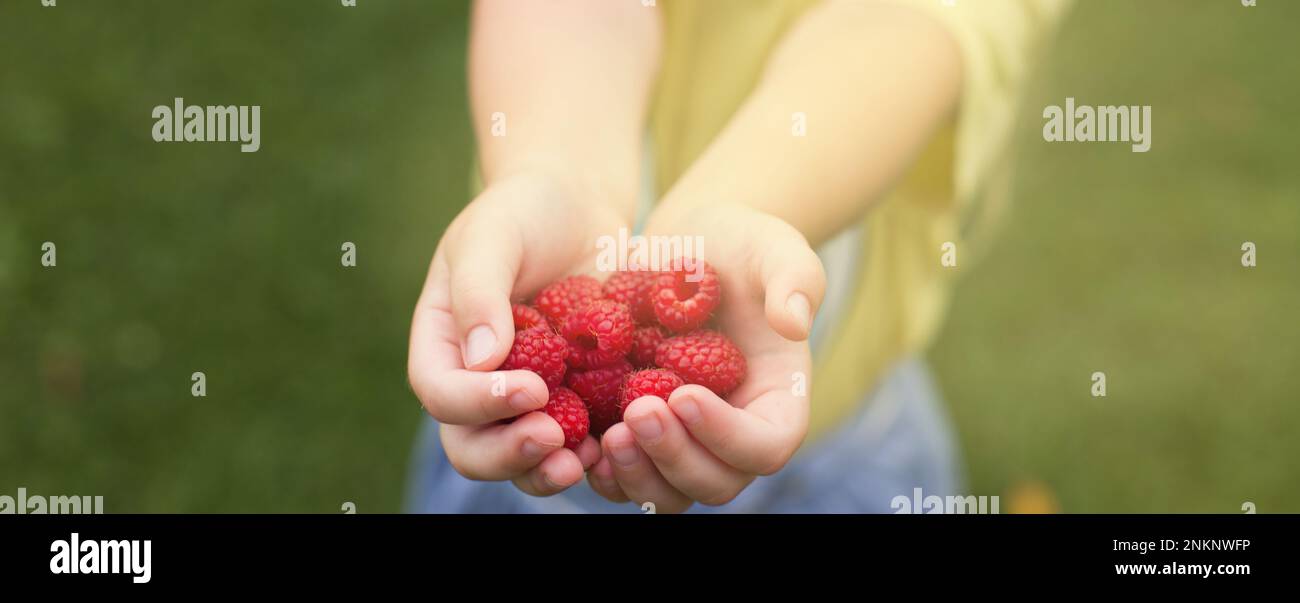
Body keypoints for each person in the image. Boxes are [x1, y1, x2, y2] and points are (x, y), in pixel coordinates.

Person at [405, 0, 1070, 513]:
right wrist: (557, 171)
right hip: (545, 446)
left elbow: (909, 24)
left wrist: (735, 204)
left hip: (849, 432)